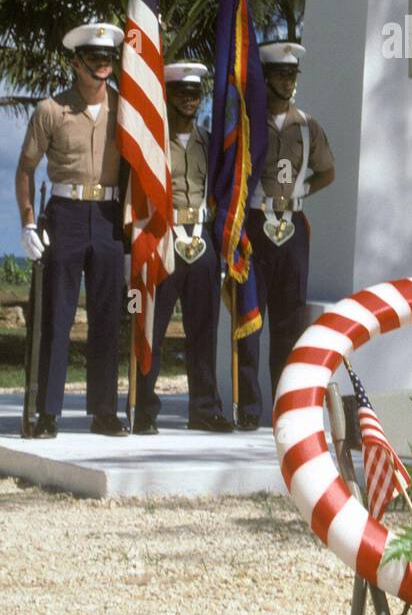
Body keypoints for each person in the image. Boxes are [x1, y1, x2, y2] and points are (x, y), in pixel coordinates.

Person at [15, 23, 127, 437]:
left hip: (110, 216)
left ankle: (104, 412)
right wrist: (28, 220)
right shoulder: (51, 110)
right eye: (94, 59)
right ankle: (47, 412)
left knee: (107, 316)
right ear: (76, 63)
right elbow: (25, 169)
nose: (102, 66)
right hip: (64, 214)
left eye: (107, 59)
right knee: (56, 316)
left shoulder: (126, 110)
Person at [236, 41, 335, 429]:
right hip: (255, 226)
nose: (288, 81)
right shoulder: (247, 124)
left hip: (292, 229)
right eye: (281, 74)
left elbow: (327, 172)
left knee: (288, 322)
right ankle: (247, 408)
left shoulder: (307, 126)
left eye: (293, 74)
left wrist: (300, 193)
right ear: (265, 78)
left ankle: (283, 407)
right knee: (250, 319)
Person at [132, 62, 232, 435]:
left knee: (204, 329)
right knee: (151, 328)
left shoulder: (210, 143)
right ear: (168, 97)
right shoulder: (153, 144)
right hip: (163, 235)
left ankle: (205, 408)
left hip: (201, 235)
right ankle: (144, 409)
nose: (190, 100)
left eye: (195, 94)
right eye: (182, 94)